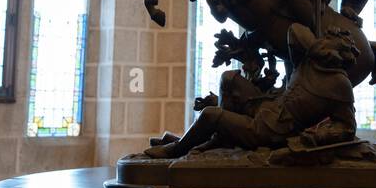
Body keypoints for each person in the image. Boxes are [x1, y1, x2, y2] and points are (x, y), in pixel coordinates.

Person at [145, 24, 358, 160]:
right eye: (323, 39)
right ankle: (217, 139)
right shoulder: (309, 61)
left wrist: (318, 136)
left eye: (327, 41)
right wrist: (315, 46)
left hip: (271, 130)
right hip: (267, 106)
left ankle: (175, 150)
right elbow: (294, 30)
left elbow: (347, 127)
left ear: (338, 53)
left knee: (211, 114)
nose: (322, 41)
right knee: (230, 78)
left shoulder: (339, 85)